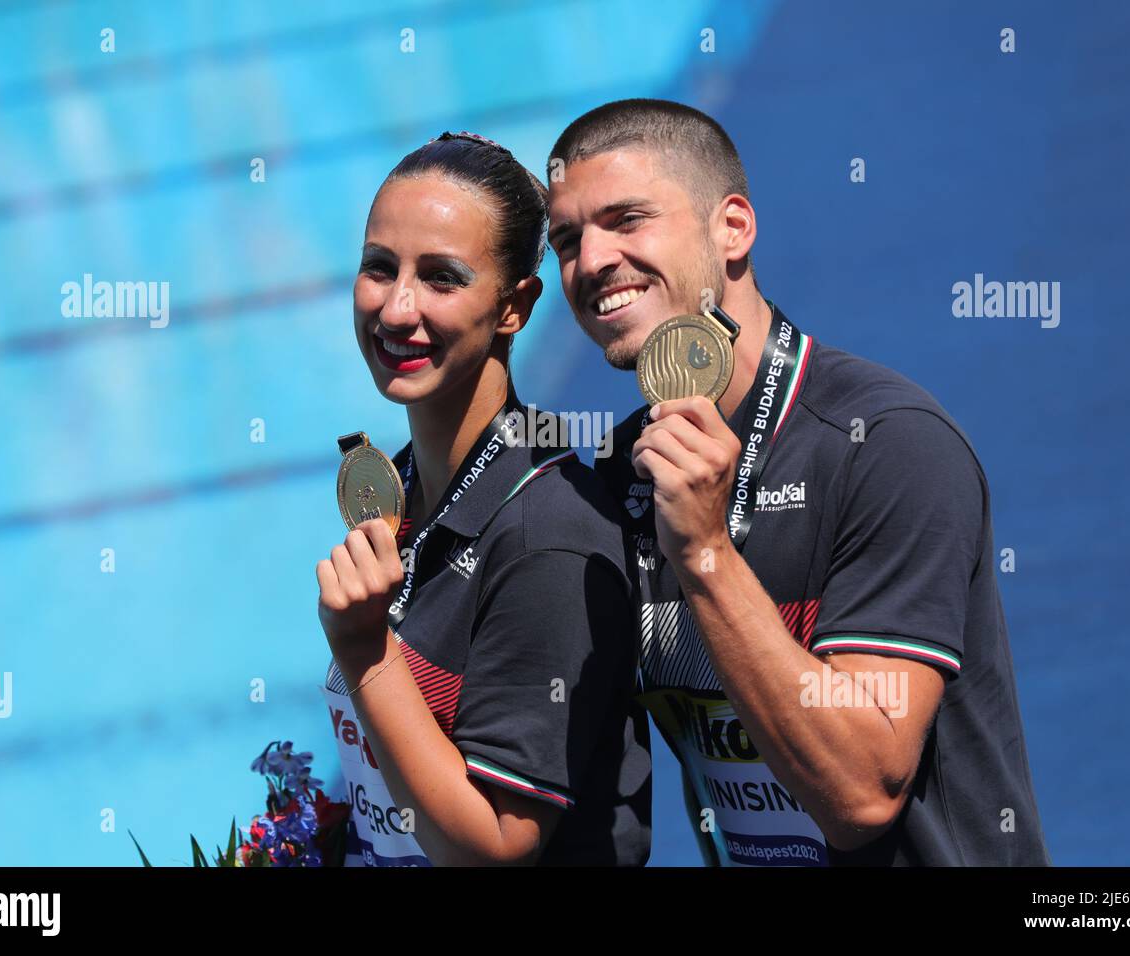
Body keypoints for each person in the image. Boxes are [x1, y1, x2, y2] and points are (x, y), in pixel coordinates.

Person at [546, 99, 1050, 866]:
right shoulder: (624, 479)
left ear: (734, 228)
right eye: (567, 240)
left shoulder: (887, 445)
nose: (592, 261)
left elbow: (861, 792)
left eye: (628, 219)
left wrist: (708, 556)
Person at [315, 131, 651, 867]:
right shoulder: (403, 488)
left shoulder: (549, 530)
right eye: (379, 268)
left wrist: (368, 654)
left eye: (441, 277)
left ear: (514, 307)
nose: (396, 308)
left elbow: (496, 848)